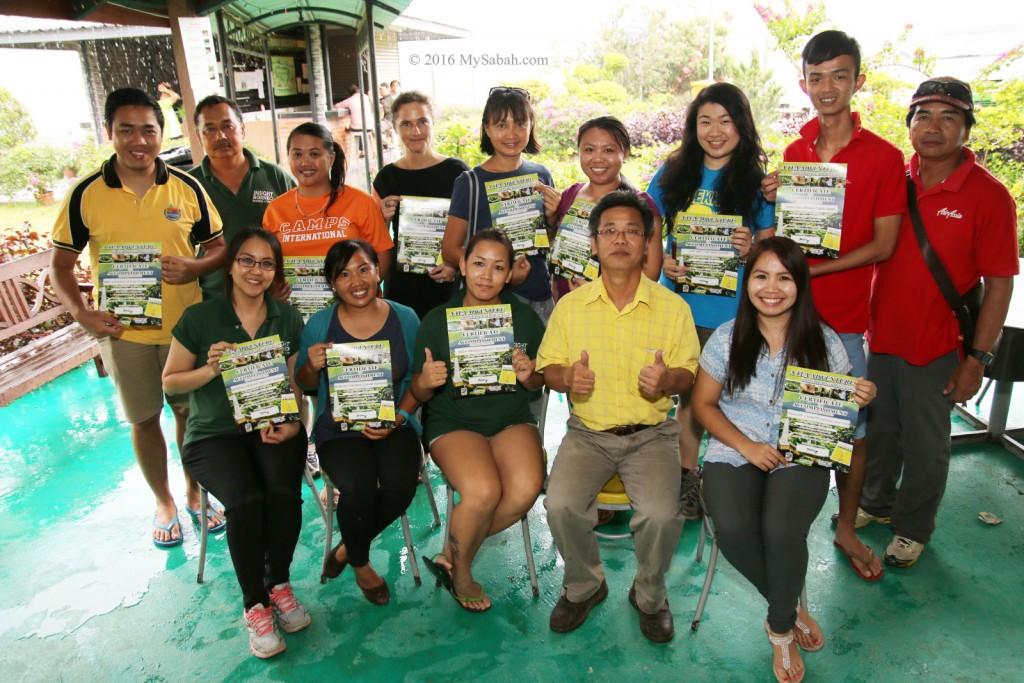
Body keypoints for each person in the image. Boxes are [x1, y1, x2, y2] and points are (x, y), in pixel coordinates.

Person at [693, 237, 876, 683]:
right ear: (747, 281)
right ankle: (789, 605)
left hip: (802, 455)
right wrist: (747, 446)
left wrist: (858, 396)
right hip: (736, 448)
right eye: (761, 276)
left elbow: (837, 411)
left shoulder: (827, 341)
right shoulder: (725, 338)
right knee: (733, 528)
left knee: (782, 530)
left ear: (800, 285)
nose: (771, 288)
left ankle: (779, 630)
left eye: (784, 277)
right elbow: (703, 406)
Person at [50, 87, 226, 547]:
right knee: (144, 419)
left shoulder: (186, 187)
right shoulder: (85, 194)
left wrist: (193, 266)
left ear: (160, 133)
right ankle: (164, 501)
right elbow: (60, 265)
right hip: (124, 331)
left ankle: (194, 492)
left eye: (148, 129)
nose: (138, 140)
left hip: (185, 330)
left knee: (190, 415)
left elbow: (218, 248)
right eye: (126, 130)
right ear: (109, 133)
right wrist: (82, 314)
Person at [762, 30, 905, 582]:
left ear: (857, 81)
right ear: (804, 84)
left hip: (844, 321)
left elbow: (884, 244)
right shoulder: (795, 153)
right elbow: (789, 237)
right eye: (816, 78)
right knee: (784, 419)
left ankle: (846, 525)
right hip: (789, 319)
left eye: (839, 76)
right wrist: (776, 210)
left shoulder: (886, 157)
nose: (827, 88)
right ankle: (783, 521)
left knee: (853, 429)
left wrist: (817, 269)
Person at [861, 78, 1018, 568]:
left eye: (948, 117)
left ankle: (912, 528)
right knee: (880, 431)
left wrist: (978, 359)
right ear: (909, 125)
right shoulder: (894, 181)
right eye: (922, 115)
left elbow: (1000, 285)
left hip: (937, 347)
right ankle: (875, 502)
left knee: (927, 446)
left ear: (967, 129)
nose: (933, 127)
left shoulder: (989, 197)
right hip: (879, 338)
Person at [539, 191, 699, 643]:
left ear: (649, 243)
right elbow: (547, 370)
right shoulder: (570, 307)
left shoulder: (673, 308)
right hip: (587, 434)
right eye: (609, 231)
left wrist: (667, 380)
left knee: (662, 515)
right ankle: (585, 585)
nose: (621, 240)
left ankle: (649, 595)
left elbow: (688, 376)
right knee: (559, 504)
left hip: (652, 436)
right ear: (592, 243)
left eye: (632, 231)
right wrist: (567, 375)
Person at [162, 227, 309, 659]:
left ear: (275, 272)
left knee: (283, 492)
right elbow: (170, 381)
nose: (256, 271)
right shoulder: (200, 318)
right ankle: (256, 605)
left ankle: (278, 582)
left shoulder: (287, 317)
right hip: (214, 434)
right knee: (245, 500)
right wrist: (210, 369)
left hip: (270, 423)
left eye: (266, 263)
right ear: (230, 265)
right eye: (247, 260)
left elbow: (292, 383)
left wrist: (296, 425)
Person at [647, 82, 776, 522]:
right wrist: (663, 259)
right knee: (684, 400)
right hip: (679, 309)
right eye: (705, 121)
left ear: (742, 125)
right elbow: (649, 234)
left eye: (726, 121)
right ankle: (686, 477)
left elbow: (770, 253)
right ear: (692, 126)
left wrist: (749, 251)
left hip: (731, 314)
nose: (715, 131)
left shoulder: (756, 183)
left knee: (719, 400)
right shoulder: (671, 174)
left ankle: (729, 477)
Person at [413, 229, 546, 613]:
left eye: (498, 267)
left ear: (510, 274)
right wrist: (425, 381)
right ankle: (463, 572)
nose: (487, 275)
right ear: (462, 266)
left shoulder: (524, 319)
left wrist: (530, 374)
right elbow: (420, 393)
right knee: (484, 491)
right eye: (478, 264)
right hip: (454, 421)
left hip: (509, 418)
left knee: (524, 491)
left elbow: (538, 383)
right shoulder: (438, 320)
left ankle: (452, 553)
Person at [295, 239, 422, 605]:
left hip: (393, 422)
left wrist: (398, 418)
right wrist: (310, 366)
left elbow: (418, 379)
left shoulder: (405, 317)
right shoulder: (319, 324)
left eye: (364, 268)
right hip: (338, 429)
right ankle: (362, 563)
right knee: (358, 488)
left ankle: (345, 550)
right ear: (332, 284)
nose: (356, 281)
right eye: (344, 274)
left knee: (400, 486)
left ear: (378, 271)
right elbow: (305, 386)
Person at [442, 86, 561, 323]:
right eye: (501, 125)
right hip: (489, 302)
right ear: (487, 128)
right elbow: (450, 249)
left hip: (539, 296)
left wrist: (552, 218)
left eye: (520, 123)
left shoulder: (541, 175)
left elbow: (549, 242)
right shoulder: (470, 182)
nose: (512, 134)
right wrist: (503, 273)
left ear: (531, 126)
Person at [373, 91, 471, 318]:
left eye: (422, 122)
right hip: (403, 290)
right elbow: (376, 240)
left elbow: (475, 230)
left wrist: (455, 266)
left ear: (433, 124)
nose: (416, 131)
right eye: (406, 124)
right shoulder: (386, 177)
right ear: (395, 128)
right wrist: (382, 218)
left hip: (449, 287)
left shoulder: (458, 172)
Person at [263, 122, 394, 290]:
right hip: (296, 310)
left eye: (314, 154)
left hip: (354, 310)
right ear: (288, 157)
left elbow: (382, 253)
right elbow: (267, 261)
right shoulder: (275, 209)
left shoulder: (360, 201)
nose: (305, 162)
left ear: (331, 158)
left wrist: (361, 291)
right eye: (297, 155)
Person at [189, 95, 295, 301]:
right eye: (209, 129)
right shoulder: (188, 186)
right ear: (198, 136)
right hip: (214, 299)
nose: (220, 136)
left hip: (270, 298)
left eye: (227, 126)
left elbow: (299, 233)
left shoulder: (275, 177)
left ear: (243, 130)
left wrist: (282, 280)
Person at [552, 115, 663, 302]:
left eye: (608, 150)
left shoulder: (641, 204)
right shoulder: (569, 195)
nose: (598, 159)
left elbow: (651, 274)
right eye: (589, 149)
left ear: (625, 154)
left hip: (616, 309)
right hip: (567, 308)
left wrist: (601, 289)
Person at [334, 86, 375, 158]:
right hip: (369, 126)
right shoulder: (365, 97)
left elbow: (337, 105)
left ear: (351, 94)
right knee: (358, 128)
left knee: (352, 128)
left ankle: (361, 150)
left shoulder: (350, 100)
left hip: (357, 127)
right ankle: (363, 150)